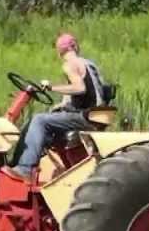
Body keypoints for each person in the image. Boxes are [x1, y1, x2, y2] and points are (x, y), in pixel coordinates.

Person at [8, 33, 109, 180]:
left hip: (86, 116)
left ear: (59, 51)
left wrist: (51, 87)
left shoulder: (70, 64)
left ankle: (25, 168)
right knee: (47, 122)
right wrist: (62, 105)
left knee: (38, 121)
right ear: (76, 46)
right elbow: (92, 91)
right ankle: (28, 166)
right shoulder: (89, 64)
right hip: (98, 114)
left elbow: (80, 88)